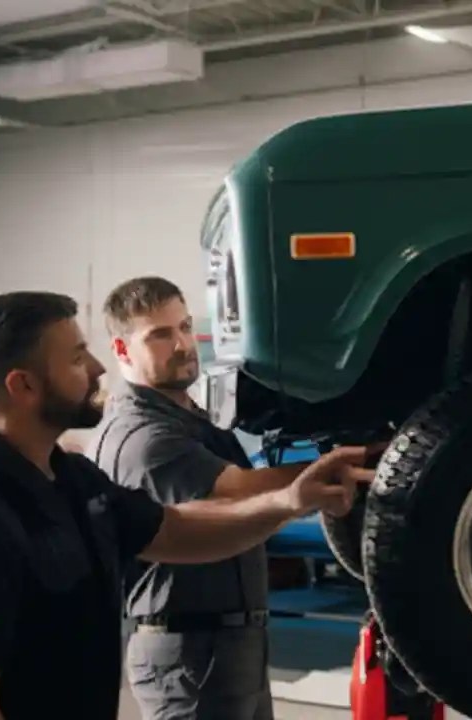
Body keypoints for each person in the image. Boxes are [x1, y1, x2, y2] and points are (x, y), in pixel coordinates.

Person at [0, 290, 373, 720]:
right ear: (23, 385)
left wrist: (290, 500)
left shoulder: (68, 477)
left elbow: (174, 528)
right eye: (77, 359)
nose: (98, 369)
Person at [89, 276, 331, 720]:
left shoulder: (187, 416)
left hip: (231, 642)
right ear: (122, 350)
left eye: (183, 327)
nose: (182, 344)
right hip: (190, 652)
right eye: (160, 335)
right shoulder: (142, 435)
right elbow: (239, 492)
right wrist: (340, 469)